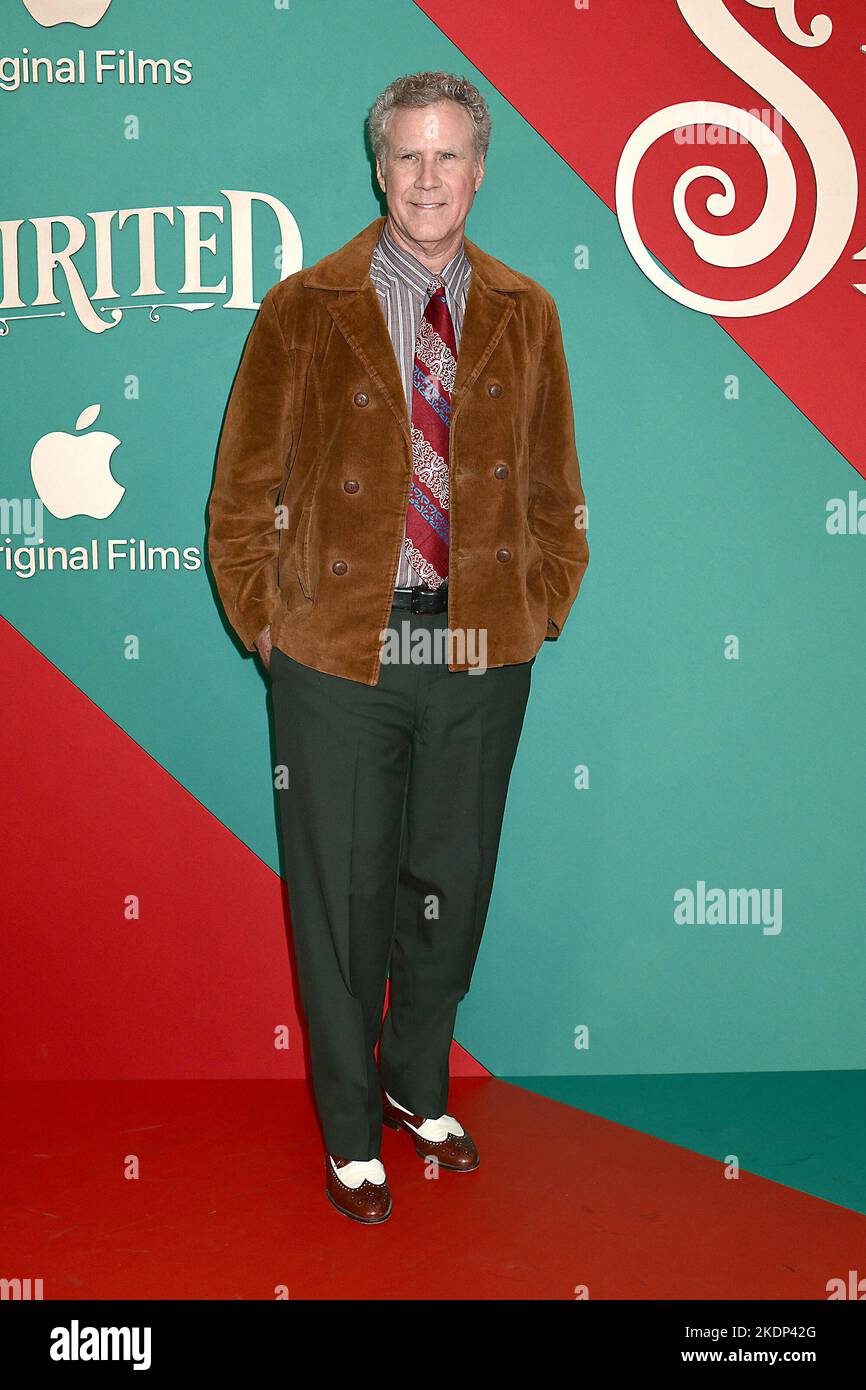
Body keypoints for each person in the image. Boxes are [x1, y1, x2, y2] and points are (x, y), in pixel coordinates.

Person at [207, 70, 589, 1224]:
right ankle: (344, 1130)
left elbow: (556, 491)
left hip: (477, 649)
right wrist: (270, 627)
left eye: (449, 157)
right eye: (408, 158)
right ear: (380, 169)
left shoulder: (527, 311)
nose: (428, 180)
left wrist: (542, 605)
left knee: (447, 891)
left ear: (479, 170)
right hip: (337, 655)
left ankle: (414, 1084)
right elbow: (240, 495)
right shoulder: (302, 306)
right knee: (344, 901)